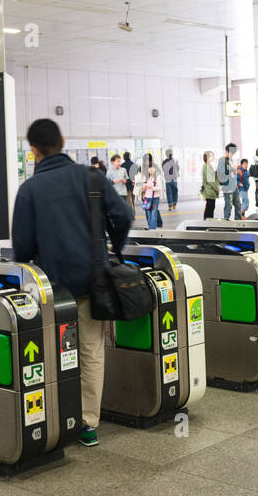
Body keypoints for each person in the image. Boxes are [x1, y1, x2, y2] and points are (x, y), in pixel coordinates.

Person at [12, 119, 131, 449]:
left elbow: (21, 248)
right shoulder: (90, 177)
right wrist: (113, 250)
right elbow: (122, 217)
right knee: (91, 350)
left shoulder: (30, 190)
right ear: (63, 141)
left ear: (33, 150)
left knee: (54, 351)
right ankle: (87, 423)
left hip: (51, 289)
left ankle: (57, 414)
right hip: (93, 282)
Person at [137, 153, 164, 228]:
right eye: (146, 161)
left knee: (154, 212)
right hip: (146, 195)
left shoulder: (155, 167)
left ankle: (153, 227)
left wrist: (152, 186)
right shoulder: (141, 168)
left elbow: (159, 179)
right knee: (148, 211)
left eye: (149, 160)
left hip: (154, 195)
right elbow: (139, 179)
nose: (147, 162)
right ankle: (153, 225)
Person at [218, 143, 240, 220]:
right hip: (227, 187)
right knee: (229, 206)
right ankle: (226, 222)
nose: (232, 155)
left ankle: (238, 222)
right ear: (226, 151)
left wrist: (235, 170)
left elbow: (231, 173)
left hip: (234, 186)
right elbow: (221, 172)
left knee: (238, 205)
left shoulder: (231, 160)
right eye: (231, 153)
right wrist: (232, 169)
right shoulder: (222, 160)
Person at [108, 154, 131, 221]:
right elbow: (106, 183)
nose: (119, 163)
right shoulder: (109, 171)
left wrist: (125, 181)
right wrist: (113, 182)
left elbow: (127, 179)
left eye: (120, 161)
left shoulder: (123, 170)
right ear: (112, 162)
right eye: (117, 161)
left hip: (123, 193)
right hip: (114, 194)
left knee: (123, 209)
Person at [200, 151, 219, 219]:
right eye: (211, 155)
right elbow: (211, 181)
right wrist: (217, 189)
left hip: (211, 191)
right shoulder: (207, 166)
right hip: (210, 191)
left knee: (210, 207)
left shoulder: (209, 166)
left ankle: (208, 221)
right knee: (209, 208)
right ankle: (207, 222)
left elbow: (213, 177)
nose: (212, 157)